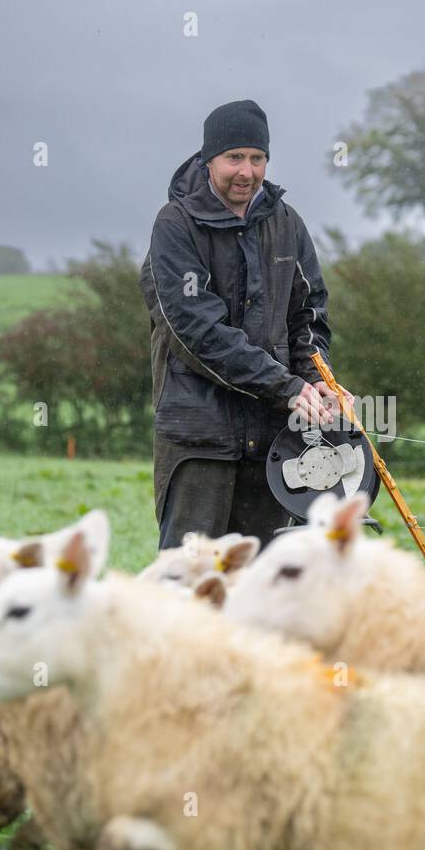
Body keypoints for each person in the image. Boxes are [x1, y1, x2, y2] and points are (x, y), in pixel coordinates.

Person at [140, 98, 349, 549]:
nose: (246, 171)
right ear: (208, 159)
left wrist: (318, 381)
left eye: (257, 158)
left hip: (274, 442)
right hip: (199, 440)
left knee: (260, 589)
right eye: (234, 157)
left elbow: (308, 317)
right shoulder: (174, 226)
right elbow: (197, 332)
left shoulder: (287, 224)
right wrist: (287, 388)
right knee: (189, 583)